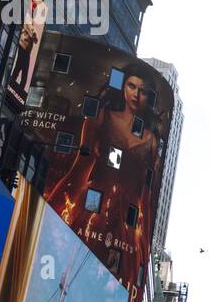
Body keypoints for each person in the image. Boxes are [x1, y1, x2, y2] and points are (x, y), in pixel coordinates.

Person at [45, 67, 164, 290]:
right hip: (93, 203)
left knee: (107, 285)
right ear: (123, 88)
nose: (136, 95)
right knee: (69, 266)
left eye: (143, 91)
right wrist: (50, 209)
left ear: (149, 98)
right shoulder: (101, 117)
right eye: (132, 86)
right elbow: (81, 164)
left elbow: (146, 199)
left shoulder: (151, 141)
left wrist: (144, 249)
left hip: (126, 224)